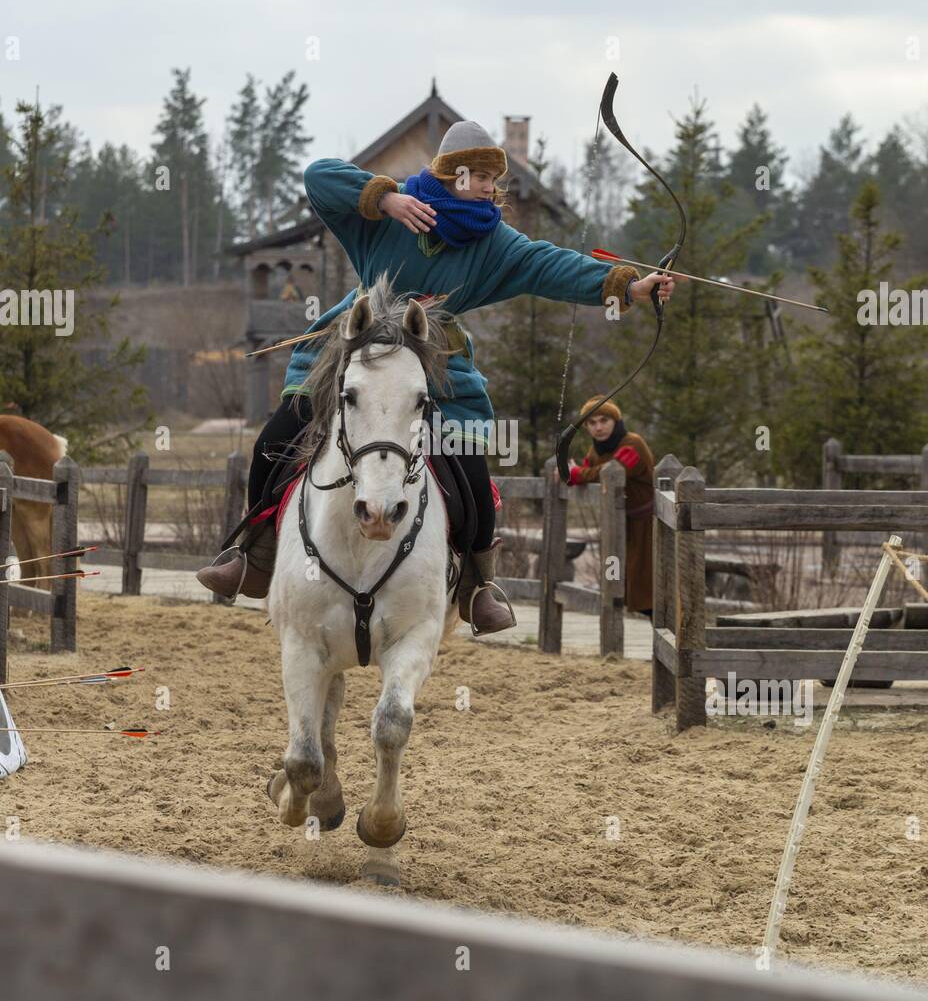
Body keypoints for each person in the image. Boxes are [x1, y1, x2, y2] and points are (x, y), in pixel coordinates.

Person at [196, 120, 674, 632]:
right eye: (481, 175)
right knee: (277, 437)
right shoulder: (391, 212)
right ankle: (251, 553)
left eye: (495, 177)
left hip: (437, 363)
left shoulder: (495, 243)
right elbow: (318, 177)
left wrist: (627, 286)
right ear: (451, 175)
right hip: (351, 349)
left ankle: (477, 585)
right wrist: (383, 198)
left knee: (468, 466)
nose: (491, 186)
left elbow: (550, 264)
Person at [567, 398, 655, 617]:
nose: (598, 427)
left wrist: (578, 474)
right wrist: (571, 475)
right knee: (621, 582)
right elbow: (588, 471)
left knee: (648, 587)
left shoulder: (632, 443)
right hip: (620, 524)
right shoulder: (596, 449)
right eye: (591, 422)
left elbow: (613, 470)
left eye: (604, 420)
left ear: (615, 420)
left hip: (647, 524)